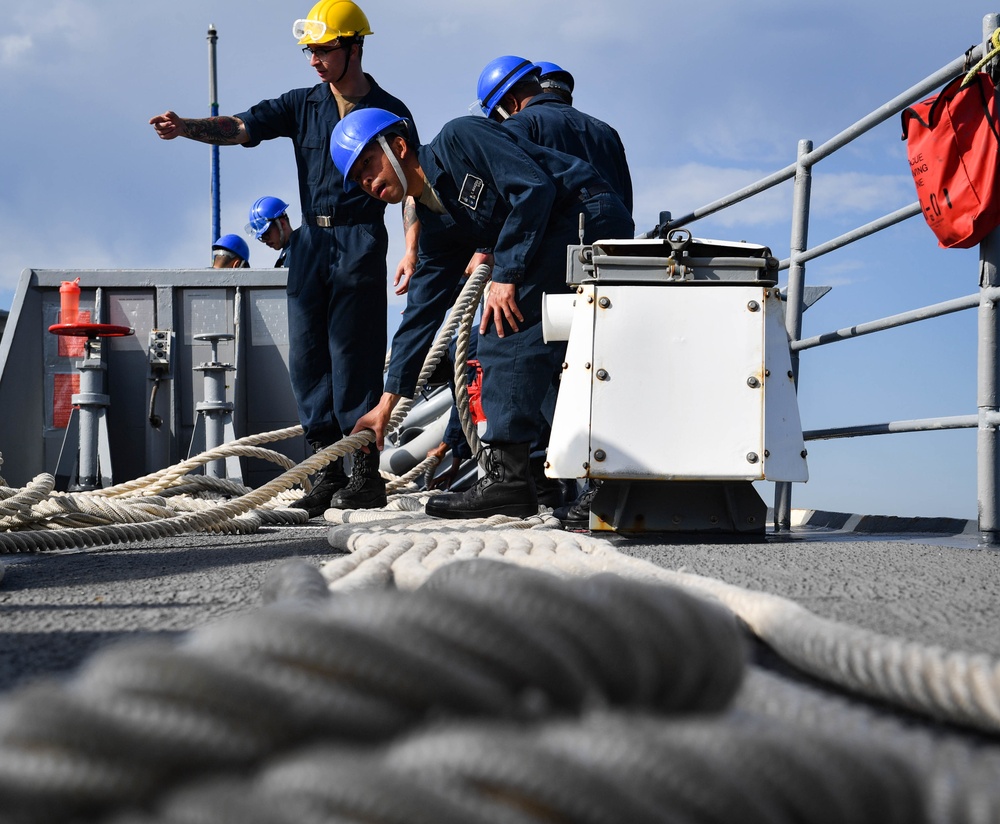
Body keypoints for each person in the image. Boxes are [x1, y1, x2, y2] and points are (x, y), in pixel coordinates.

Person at [150, 0, 419, 517]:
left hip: (361, 242)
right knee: (309, 362)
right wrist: (187, 127)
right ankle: (324, 471)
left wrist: (410, 247)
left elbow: (409, 184)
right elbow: (242, 126)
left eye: (323, 50)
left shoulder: (391, 110)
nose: (314, 60)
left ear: (354, 46)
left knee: (356, 359)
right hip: (310, 246)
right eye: (309, 51)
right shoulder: (302, 105)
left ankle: (364, 476)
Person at [331, 108, 634, 519]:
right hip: (552, 230)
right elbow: (421, 312)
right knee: (548, 357)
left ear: (399, 146)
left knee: (503, 326)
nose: (367, 181)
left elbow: (534, 189)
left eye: (369, 163)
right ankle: (575, 481)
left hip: (584, 213)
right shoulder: (437, 223)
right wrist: (385, 405)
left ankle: (510, 483)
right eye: (358, 179)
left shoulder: (461, 137)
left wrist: (507, 274)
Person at [476, 55, 634, 512]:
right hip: (606, 256)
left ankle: (534, 478)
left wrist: (499, 261)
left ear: (506, 101)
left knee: (519, 342)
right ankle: (604, 485)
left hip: (550, 253)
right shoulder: (605, 131)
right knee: (592, 360)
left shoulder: (520, 126)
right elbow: (620, 197)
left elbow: (519, 196)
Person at [246, 196, 295, 267]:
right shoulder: (285, 257)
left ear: (282, 224)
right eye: (262, 237)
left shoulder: (299, 250)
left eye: (266, 234)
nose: (266, 241)